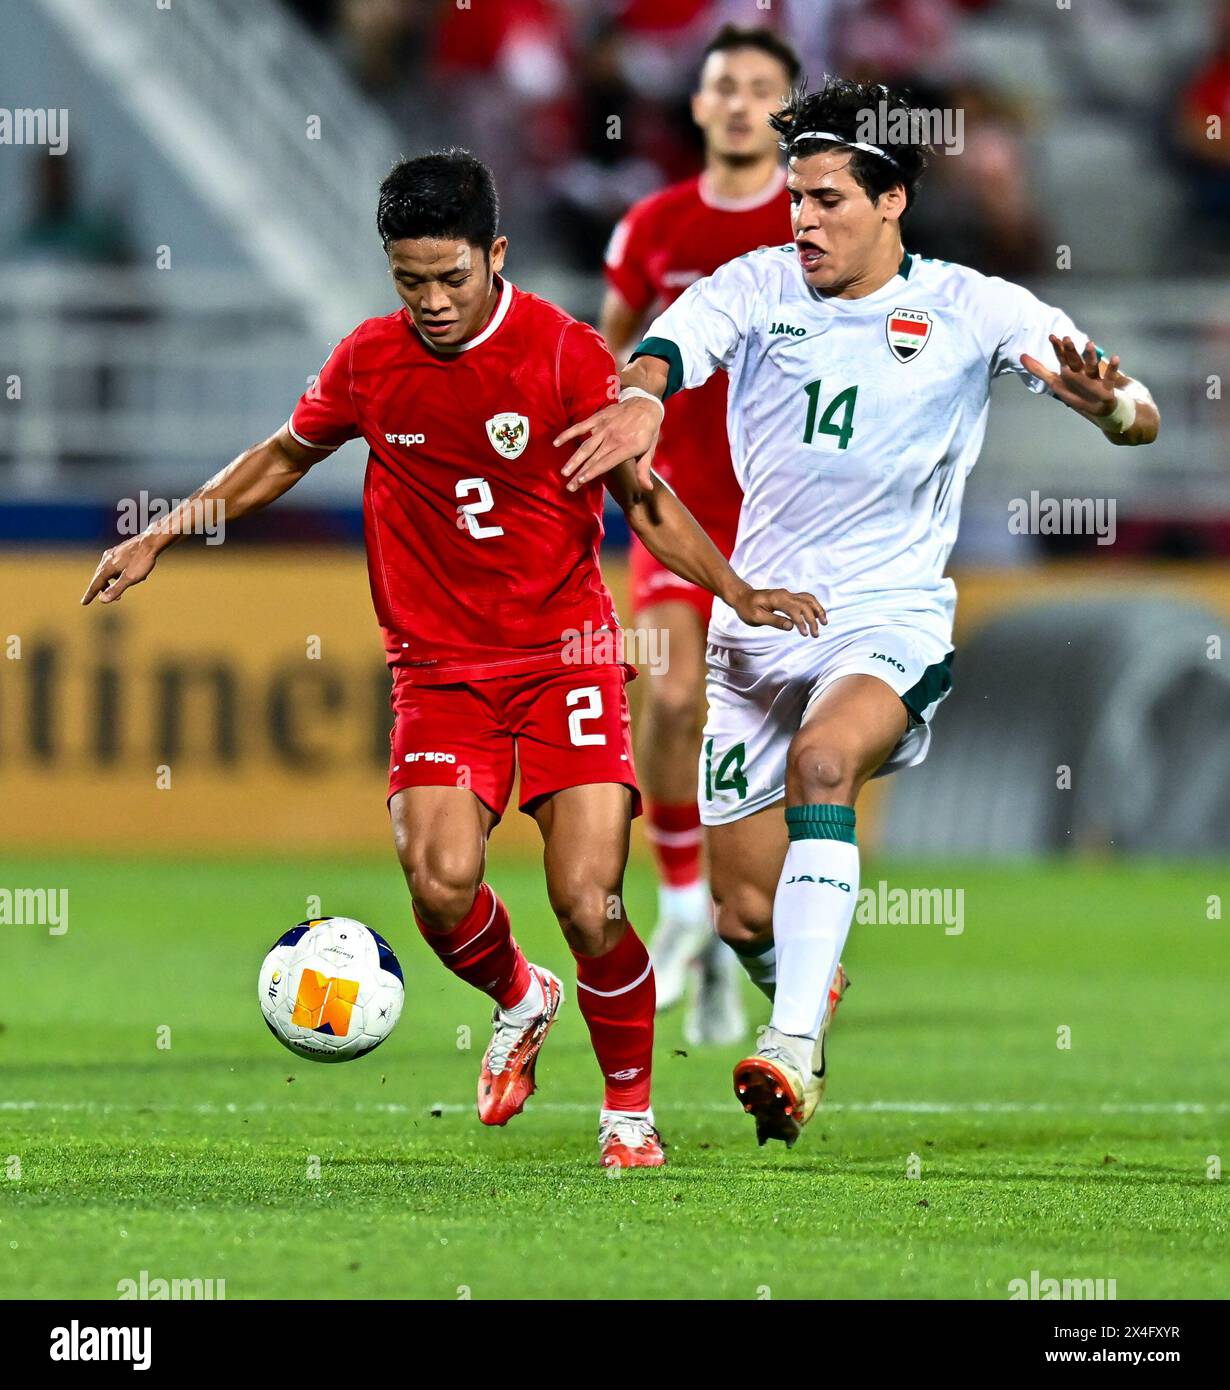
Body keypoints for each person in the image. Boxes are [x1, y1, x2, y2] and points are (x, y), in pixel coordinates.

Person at [81, 150, 822, 1167]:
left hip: (566, 658)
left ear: (495, 255)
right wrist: (164, 530)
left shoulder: (563, 357)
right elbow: (281, 458)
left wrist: (734, 591)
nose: (430, 301)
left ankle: (628, 1115)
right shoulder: (367, 361)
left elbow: (645, 502)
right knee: (437, 882)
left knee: (589, 897)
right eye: (409, 280)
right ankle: (521, 996)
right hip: (438, 670)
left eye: (450, 277)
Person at [556, 77, 1159, 1147]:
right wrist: (642, 393)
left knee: (825, 765)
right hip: (759, 624)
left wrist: (1112, 404)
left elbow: (1138, 414)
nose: (803, 221)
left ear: (892, 202)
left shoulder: (975, 307)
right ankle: (804, 978)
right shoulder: (754, 287)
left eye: (828, 199)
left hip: (889, 615)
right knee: (748, 911)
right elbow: (661, 348)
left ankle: (790, 1048)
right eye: (796, 198)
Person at [601, 24, 850, 1045]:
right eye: (724, 86)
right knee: (666, 695)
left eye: (761, 87)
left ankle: (742, 936)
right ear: (698, 106)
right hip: (677, 513)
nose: (742, 102)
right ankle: (679, 911)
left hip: (790, 531)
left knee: (778, 748)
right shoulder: (653, 225)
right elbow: (611, 355)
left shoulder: (817, 240)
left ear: (787, 111)